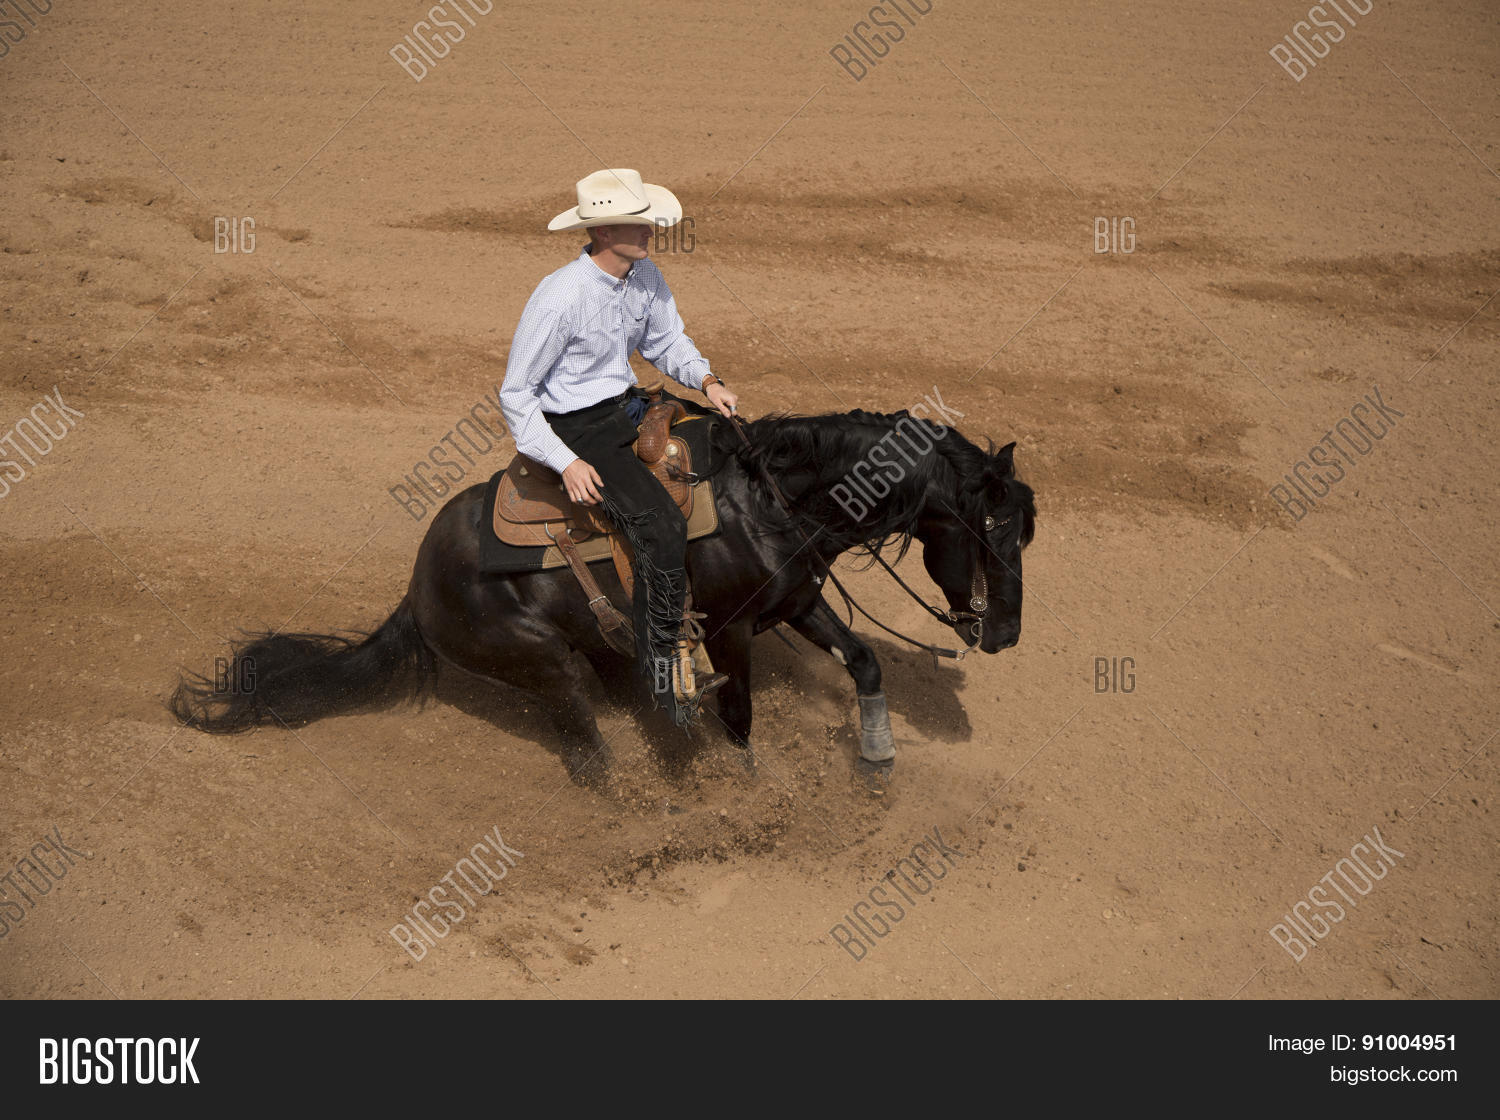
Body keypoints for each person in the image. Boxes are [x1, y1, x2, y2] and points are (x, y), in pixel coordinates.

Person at [500, 168, 738, 726]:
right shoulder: (560, 296)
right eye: (638, 223)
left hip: (629, 405)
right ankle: (661, 674)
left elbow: (667, 341)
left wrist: (707, 382)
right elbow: (517, 393)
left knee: (727, 453)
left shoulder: (646, 275)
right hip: (578, 428)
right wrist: (565, 460)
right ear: (603, 232)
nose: (652, 230)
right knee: (659, 525)